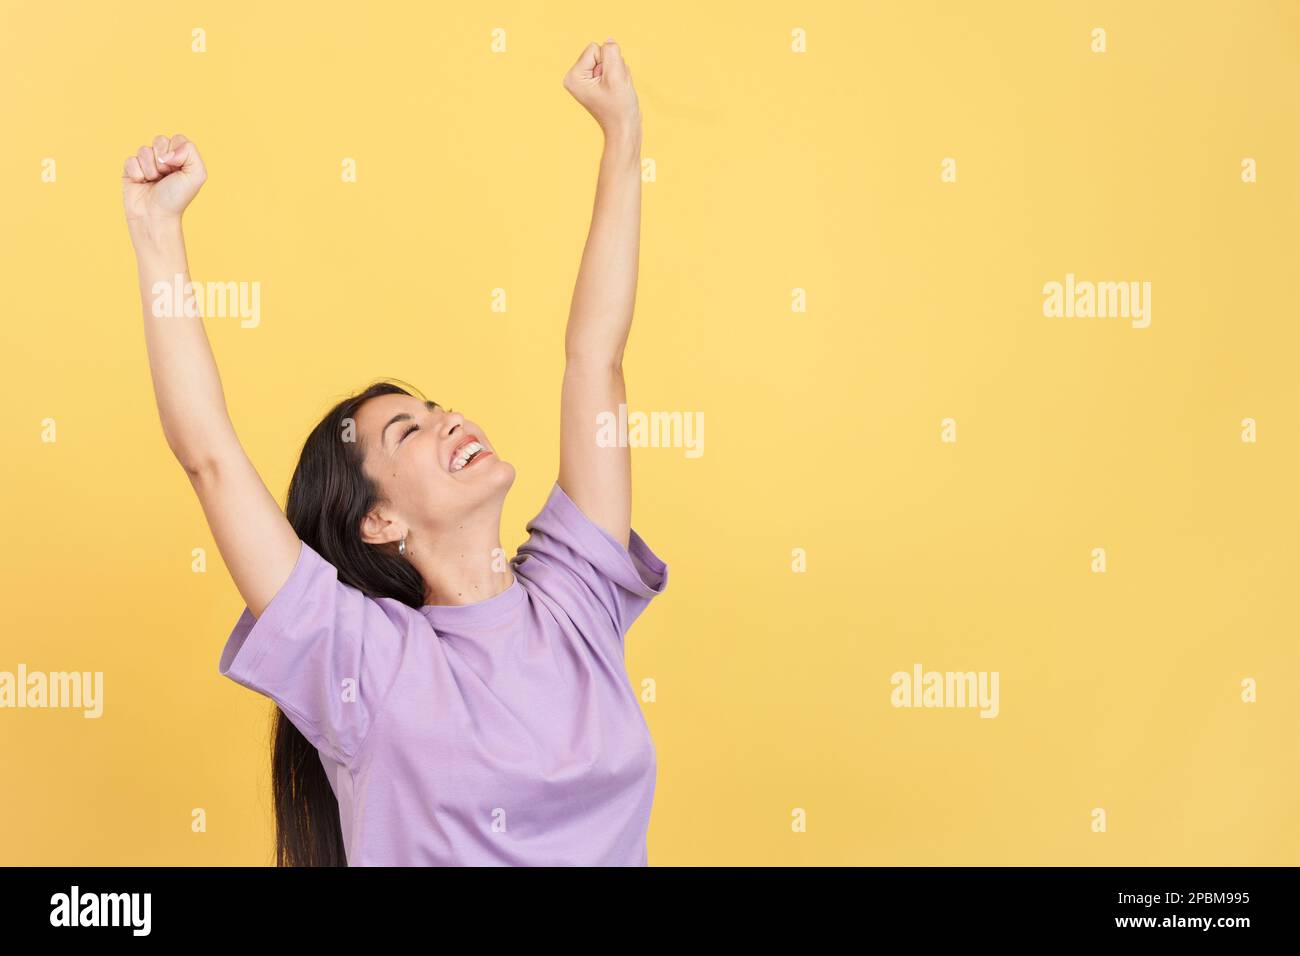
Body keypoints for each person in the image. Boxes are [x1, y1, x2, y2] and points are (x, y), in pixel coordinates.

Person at [121, 39, 668, 866]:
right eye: (408, 430)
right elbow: (211, 457)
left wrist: (621, 131)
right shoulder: (363, 664)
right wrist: (156, 230)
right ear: (376, 520)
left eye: (437, 408)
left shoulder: (576, 600)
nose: (450, 420)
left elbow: (597, 357)